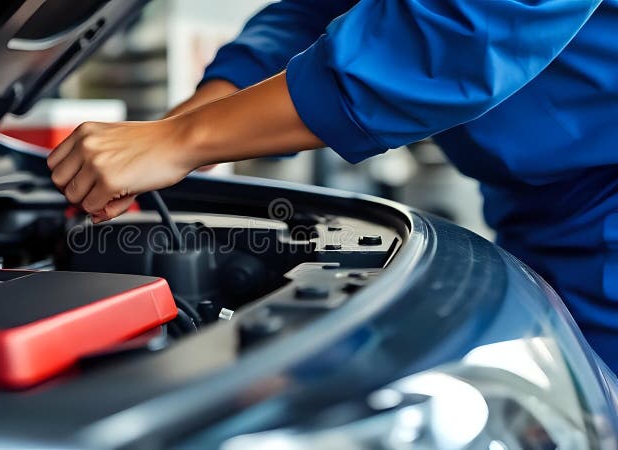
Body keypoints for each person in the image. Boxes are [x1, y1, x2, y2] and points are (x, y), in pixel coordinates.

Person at [47, 0, 618, 369]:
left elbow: (462, 31)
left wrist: (185, 141)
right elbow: (315, 12)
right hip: (545, 208)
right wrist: (193, 119)